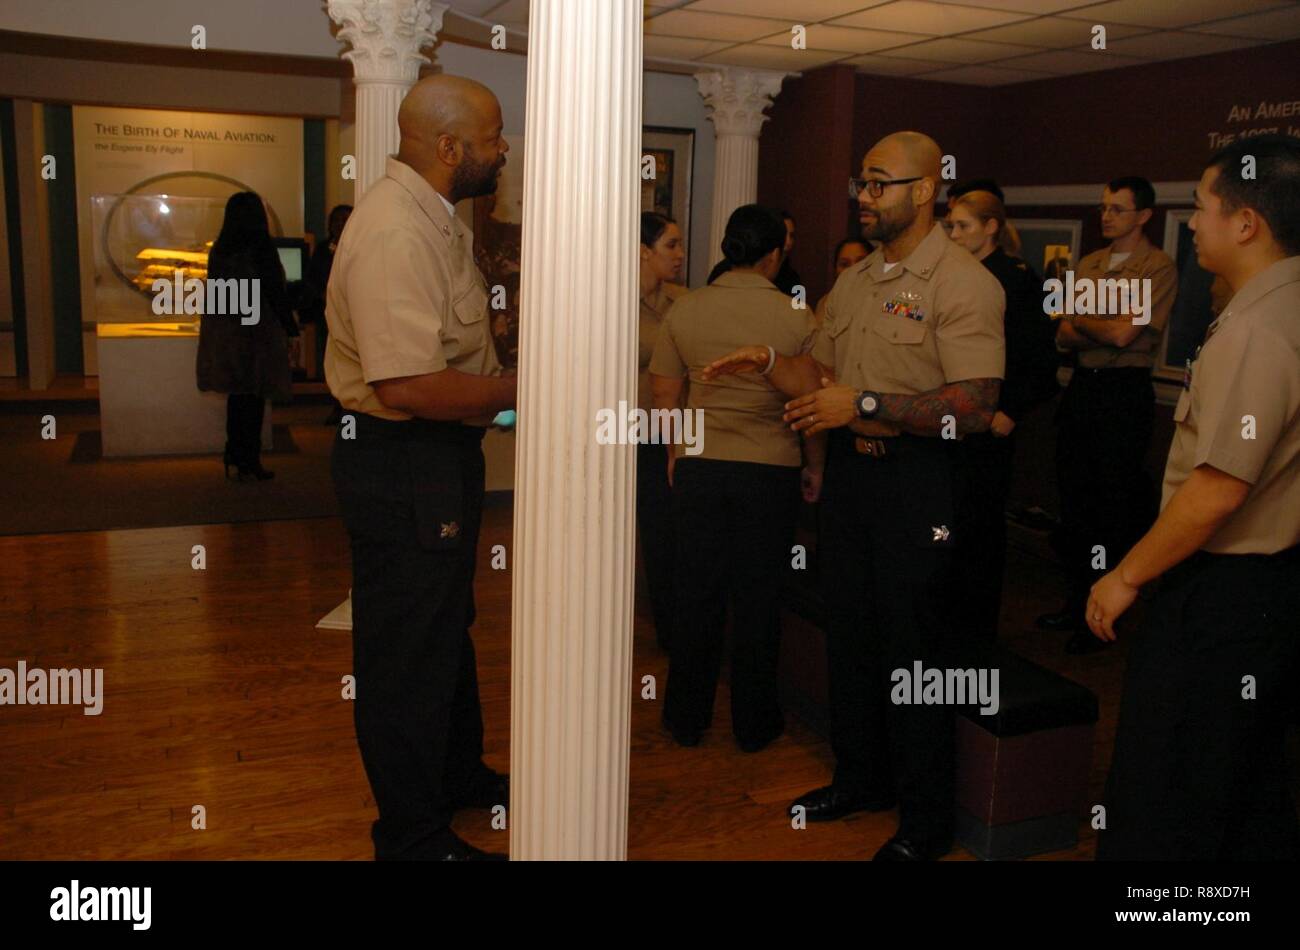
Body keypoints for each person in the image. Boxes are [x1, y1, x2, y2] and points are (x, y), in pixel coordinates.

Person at [704, 131, 1005, 861]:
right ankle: (862, 779)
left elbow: (973, 406)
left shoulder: (964, 284)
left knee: (917, 653)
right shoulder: (862, 279)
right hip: (853, 483)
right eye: (861, 185)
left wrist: (863, 406)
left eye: (880, 184)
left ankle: (926, 820)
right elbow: (821, 375)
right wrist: (773, 362)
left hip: (920, 484)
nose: (865, 198)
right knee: (856, 641)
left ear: (926, 189)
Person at [1091, 134, 1300, 860]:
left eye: (1203, 207)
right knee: (1240, 779)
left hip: (1225, 595)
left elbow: (1216, 491)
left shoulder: (1258, 331)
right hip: (1265, 594)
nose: (1196, 222)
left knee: (1174, 783)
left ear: (1246, 222)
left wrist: (1125, 577)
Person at [325, 74, 515, 861]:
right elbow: (406, 384)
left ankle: (454, 773)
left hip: (437, 457)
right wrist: (522, 392)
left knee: (445, 626)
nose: (504, 152)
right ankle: (409, 833)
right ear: (450, 148)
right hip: (403, 460)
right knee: (406, 646)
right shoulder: (395, 231)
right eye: (495, 139)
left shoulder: (433, 219)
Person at [649, 204, 820, 752]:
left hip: (703, 468)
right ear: (773, 255)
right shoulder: (797, 316)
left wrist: (678, 453)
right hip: (769, 471)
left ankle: (685, 718)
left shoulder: (687, 309)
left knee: (695, 593)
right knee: (758, 598)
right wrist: (814, 465)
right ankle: (754, 724)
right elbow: (811, 401)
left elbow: (664, 397)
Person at [1038, 176, 1176, 654]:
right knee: (1074, 501)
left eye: (1118, 209)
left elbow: (1124, 337)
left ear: (1143, 216)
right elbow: (1060, 331)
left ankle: (1103, 616)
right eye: (1104, 207)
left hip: (1123, 395)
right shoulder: (1090, 262)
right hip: (1082, 389)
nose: (1107, 216)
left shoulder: (1156, 266)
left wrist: (1083, 321)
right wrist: (1093, 324)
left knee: (1109, 507)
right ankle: (1076, 601)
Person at [946, 188, 1059, 643]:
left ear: (991, 227)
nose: (954, 235)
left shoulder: (1015, 278)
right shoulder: (953, 274)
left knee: (981, 527)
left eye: (963, 226)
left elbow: (1035, 355)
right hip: (952, 416)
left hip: (991, 420)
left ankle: (975, 629)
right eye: (950, 226)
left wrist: (1010, 409)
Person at [196, 191, 298, 482]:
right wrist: (289, 326)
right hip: (257, 332)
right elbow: (274, 290)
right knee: (254, 398)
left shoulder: (221, 248)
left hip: (228, 331)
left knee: (237, 397)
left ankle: (235, 453)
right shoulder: (260, 247)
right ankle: (249, 458)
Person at [638, 212, 687, 653]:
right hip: (618, 434)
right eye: (670, 245)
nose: (680, 254)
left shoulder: (683, 303)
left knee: (666, 540)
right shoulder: (609, 302)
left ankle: (675, 638)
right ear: (642, 251)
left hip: (668, 435)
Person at [301, 204, 352, 378]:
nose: (339, 224)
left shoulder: (359, 247)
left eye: (344, 220)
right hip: (326, 309)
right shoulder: (323, 249)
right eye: (336, 220)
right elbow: (312, 277)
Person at [813, 237, 871, 327]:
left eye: (861, 263)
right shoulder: (827, 302)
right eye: (845, 264)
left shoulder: (886, 298)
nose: (853, 269)